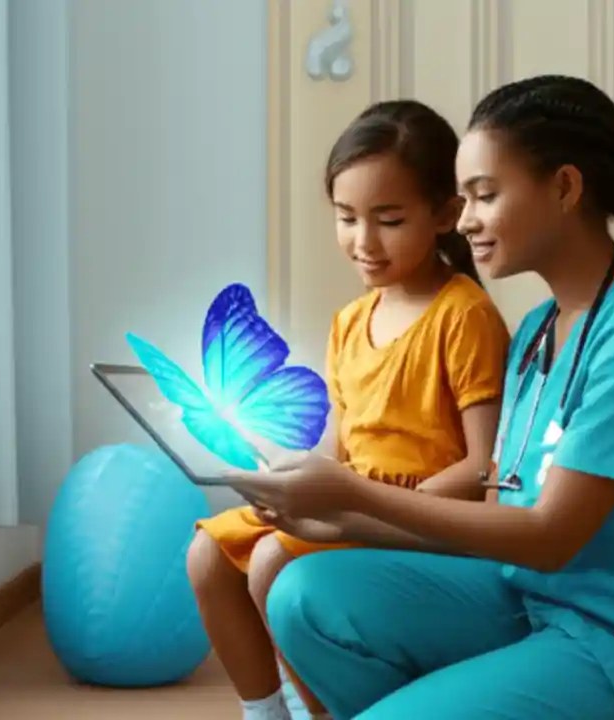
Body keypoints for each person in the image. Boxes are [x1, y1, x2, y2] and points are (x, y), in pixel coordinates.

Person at [232, 74, 614, 720]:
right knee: (302, 595)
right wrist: (329, 520)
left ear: (565, 188)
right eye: (464, 198)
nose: (467, 219)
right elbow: (494, 518)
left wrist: (349, 494)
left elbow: (548, 536)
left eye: (485, 195)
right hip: (532, 605)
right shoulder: (538, 332)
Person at [187, 100, 511, 720]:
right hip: (347, 504)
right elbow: (339, 451)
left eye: (388, 219)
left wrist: (358, 504)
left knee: (274, 561)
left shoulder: (462, 314)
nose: (363, 242)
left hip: (419, 519)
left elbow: (484, 466)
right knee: (207, 554)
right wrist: (286, 483)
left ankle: (325, 710)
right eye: (346, 218)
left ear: (446, 213)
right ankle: (266, 713)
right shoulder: (349, 322)